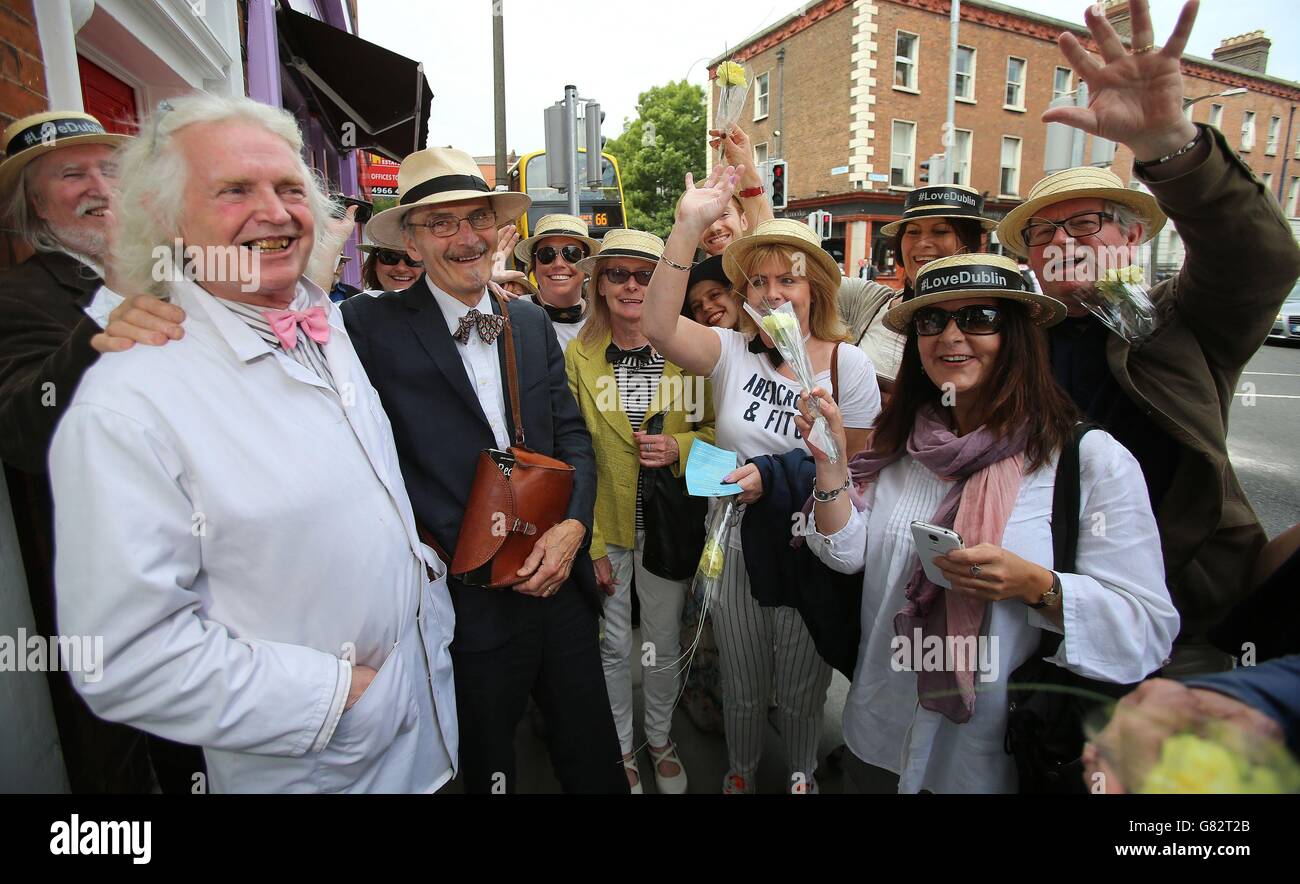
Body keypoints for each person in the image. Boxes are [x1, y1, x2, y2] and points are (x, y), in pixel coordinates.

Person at [48, 93, 458, 793]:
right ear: (170, 220)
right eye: (234, 190)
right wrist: (341, 698)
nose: (274, 212)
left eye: (290, 188)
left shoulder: (321, 321)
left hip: (428, 726)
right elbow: (123, 659)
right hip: (322, 764)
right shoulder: (126, 404)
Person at [996, 0, 1300, 675]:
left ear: (1132, 235)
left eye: (1087, 224)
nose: (1062, 242)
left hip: (1179, 612)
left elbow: (1260, 261)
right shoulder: (1011, 339)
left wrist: (1172, 147)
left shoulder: (1180, 320)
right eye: (1045, 231)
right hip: (1036, 601)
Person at [802, 253, 1178, 793]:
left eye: (979, 317)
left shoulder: (1088, 461)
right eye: (933, 321)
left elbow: (1147, 629)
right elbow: (846, 554)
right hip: (881, 732)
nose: (951, 335)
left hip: (991, 755)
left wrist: (1038, 588)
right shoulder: (902, 446)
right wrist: (830, 461)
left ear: (1018, 337)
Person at [341, 147, 626, 794]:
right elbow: (268, 325)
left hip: (559, 586)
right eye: (441, 223)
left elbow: (575, 436)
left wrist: (575, 527)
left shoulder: (526, 321)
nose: (465, 238)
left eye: (476, 218)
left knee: (593, 761)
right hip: (463, 604)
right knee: (489, 767)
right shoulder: (364, 327)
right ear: (410, 238)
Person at [644, 166, 881, 793]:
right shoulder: (728, 351)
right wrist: (687, 228)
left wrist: (783, 472)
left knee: (803, 691)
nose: (775, 293)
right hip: (737, 542)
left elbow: (854, 475)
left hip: (811, 547)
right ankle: (740, 775)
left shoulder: (848, 366)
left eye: (790, 280)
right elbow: (658, 327)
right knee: (744, 685)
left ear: (816, 290)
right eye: (762, 281)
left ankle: (800, 776)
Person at [0, 109, 191, 794]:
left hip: (198, 564)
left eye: (109, 169)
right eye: (70, 174)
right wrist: (114, 303)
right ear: (33, 204)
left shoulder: (178, 277)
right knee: (125, 764)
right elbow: (26, 429)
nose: (98, 186)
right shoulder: (18, 297)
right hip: (106, 576)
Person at [565, 228, 715, 793]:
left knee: (661, 641)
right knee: (612, 646)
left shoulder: (694, 348)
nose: (632, 286)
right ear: (599, 285)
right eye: (618, 274)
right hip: (607, 527)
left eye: (646, 275)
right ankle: (621, 747)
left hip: (671, 525)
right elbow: (571, 452)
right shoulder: (578, 356)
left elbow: (724, 436)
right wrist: (592, 543)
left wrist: (682, 448)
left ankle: (660, 738)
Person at [852, 184, 996, 397]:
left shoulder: (994, 319)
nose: (923, 242)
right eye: (913, 231)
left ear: (973, 244)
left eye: (940, 231)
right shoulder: (872, 302)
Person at [511, 213, 600, 350]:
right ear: (534, 267)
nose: (558, 264)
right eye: (547, 254)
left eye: (571, 253)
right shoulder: (511, 313)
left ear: (585, 266)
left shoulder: (603, 318)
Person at [358, 242, 423, 294]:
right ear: (374, 263)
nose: (401, 269)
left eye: (413, 259)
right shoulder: (355, 308)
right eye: (389, 257)